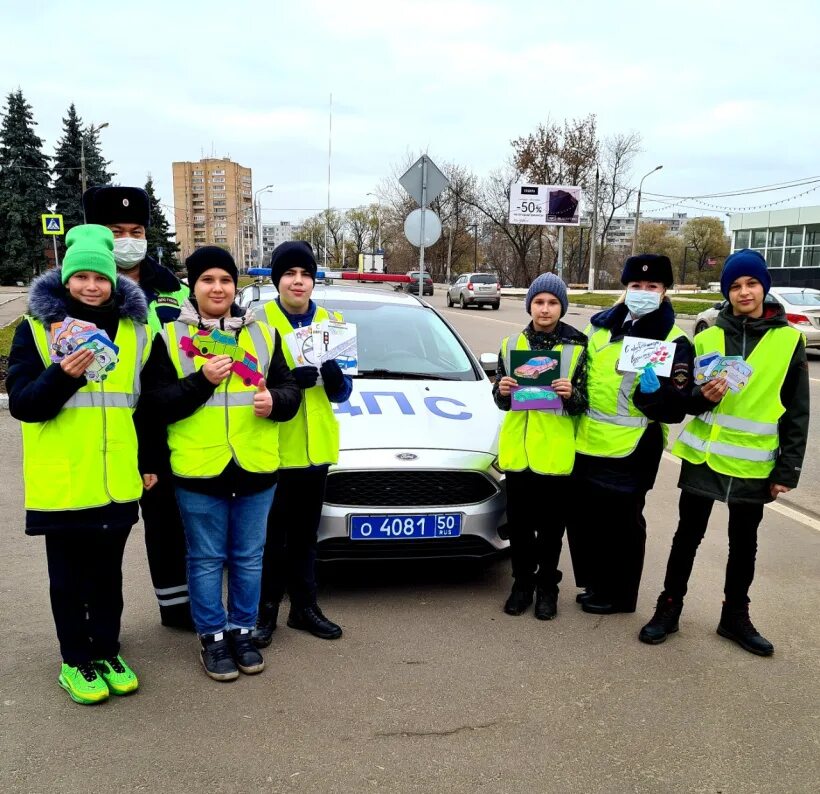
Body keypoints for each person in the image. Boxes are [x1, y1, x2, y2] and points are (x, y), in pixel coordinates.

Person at [7, 224, 155, 704]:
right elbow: (24, 404)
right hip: (65, 480)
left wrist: (148, 460)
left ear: (114, 281)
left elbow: (143, 403)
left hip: (115, 480)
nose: (92, 286)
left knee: (108, 577)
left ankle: (107, 650)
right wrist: (62, 376)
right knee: (68, 580)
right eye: (82, 276)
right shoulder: (36, 328)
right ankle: (74, 661)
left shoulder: (136, 330)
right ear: (66, 279)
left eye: (101, 277)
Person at [139, 247, 300, 680]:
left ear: (235, 287)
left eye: (225, 280)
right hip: (199, 470)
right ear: (193, 285)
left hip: (255, 467)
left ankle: (242, 631)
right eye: (207, 279)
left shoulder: (263, 335)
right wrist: (200, 381)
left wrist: (276, 401)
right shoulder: (171, 337)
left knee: (249, 558)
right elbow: (153, 405)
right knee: (206, 558)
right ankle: (212, 637)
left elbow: (290, 391)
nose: (217, 288)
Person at [639, 250, 809, 655]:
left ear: (764, 288)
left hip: (754, 464)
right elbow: (685, 400)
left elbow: (798, 411)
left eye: (751, 283)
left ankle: (734, 616)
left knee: (744, 544)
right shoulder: (708, 337)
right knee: (686, 538)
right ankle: (669, 608)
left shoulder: (789, 340)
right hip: (704, 458)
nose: (744, 292)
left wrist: (788, 469)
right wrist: (701, 396)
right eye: (735, 286)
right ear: (726, 292)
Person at [83, 186, 192, 629]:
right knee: (103, 534)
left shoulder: (172, 289)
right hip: (106, 429)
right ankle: (98, 622)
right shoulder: (85, 291)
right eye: (116, 231)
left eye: (136, 230)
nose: (128, 239)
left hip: (164, 422)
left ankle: (176, 606)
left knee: (167, 523)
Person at [574, 254, 694, 615]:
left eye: (652, 287)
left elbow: (676, 408)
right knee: (589, 521)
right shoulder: (600, 328)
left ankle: (621, 595)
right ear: (625, 289)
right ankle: (596, 584)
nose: (643, 292)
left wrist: (654, 392)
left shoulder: (674, 340)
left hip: (634, 447)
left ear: (664, 292)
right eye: (636, 286)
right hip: (588, 441)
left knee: (622, 525)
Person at [253, 241, 353, 647]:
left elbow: (344, 391)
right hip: (274, 448)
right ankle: (265, 613)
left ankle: (305, 608)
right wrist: (289, 379)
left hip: (316, 450)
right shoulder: (258, 322)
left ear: (314, 280)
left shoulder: (333, 321)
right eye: (289, 273)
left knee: (305, 538)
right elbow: (247, 385)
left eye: (305, 274)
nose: (298, 281)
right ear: (277, 279)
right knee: (271, 538)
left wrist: (333, 378)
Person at [492, 273, 588, 619]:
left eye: (552, 302)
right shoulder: (511, 344)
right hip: (518, 455)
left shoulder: (577, 345)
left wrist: (570, 393)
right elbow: (501, 401)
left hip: (555, 454)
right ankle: (522, 585)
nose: (545, 309)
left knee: (550, 530)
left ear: (562, 306)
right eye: (538, 302)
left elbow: (584, 403)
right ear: (529, 305)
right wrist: (501, 389)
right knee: (519, 527)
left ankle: (548, 587)